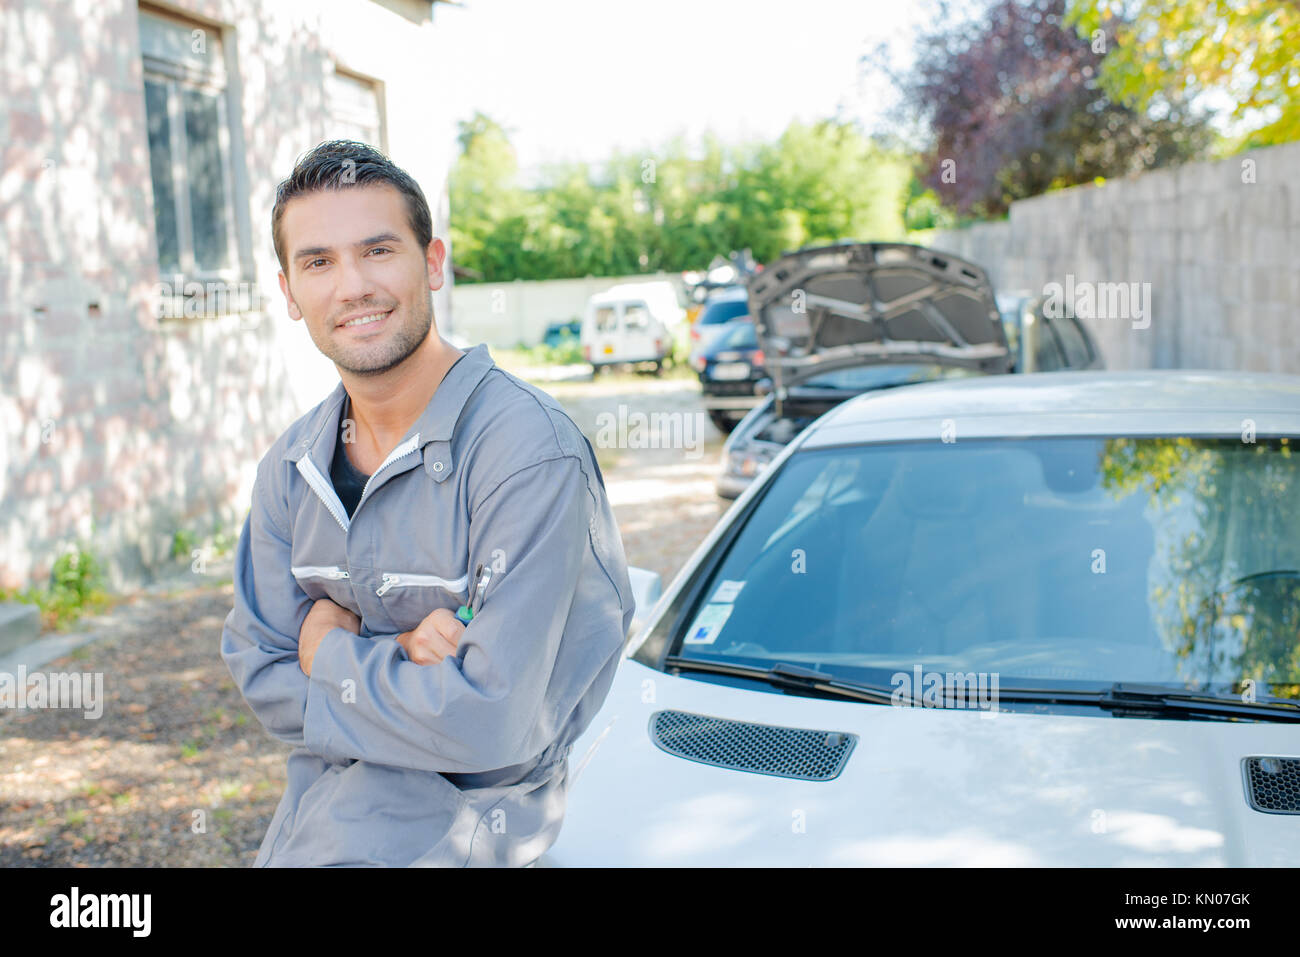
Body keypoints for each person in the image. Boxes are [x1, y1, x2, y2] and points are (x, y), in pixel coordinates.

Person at [220, 140, 635, 866]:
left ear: (432, 262)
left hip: (462, 837)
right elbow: (261, 676)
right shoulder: (290, 470)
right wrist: (406, 656)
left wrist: (329, 649)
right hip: (308, 828)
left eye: (378, 250)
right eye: (318, 262)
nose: (352, 286)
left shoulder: (528, 455)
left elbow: (491, 720)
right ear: (289, 292)